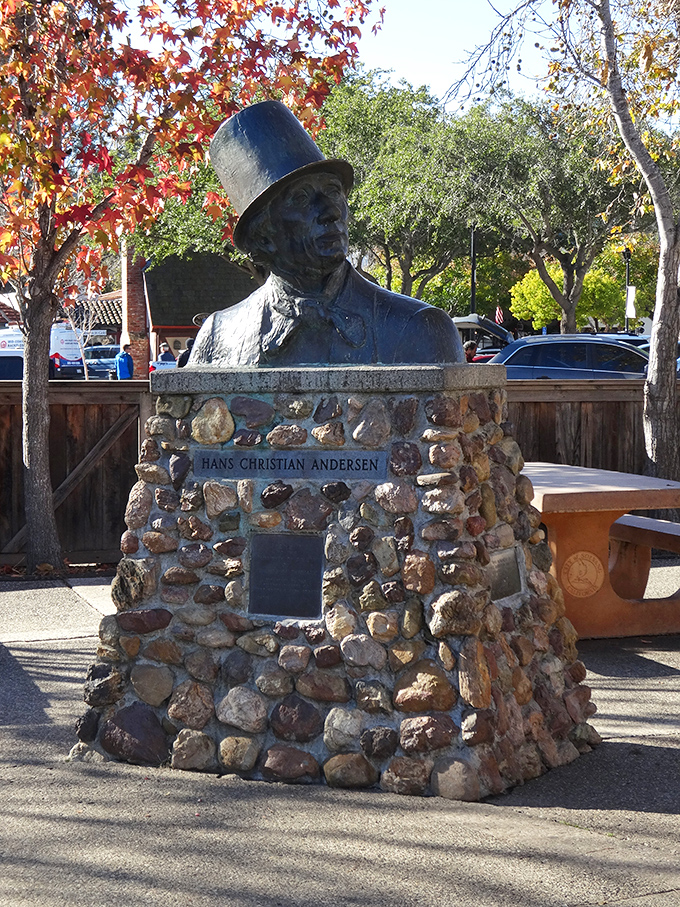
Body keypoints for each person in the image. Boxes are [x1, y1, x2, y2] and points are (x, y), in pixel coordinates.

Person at [188, 101, 465, 368]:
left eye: (334, 191)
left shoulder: (421, 330)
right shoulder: (218, 338)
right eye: (301, 198)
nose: (331, 211)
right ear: (262, 238)